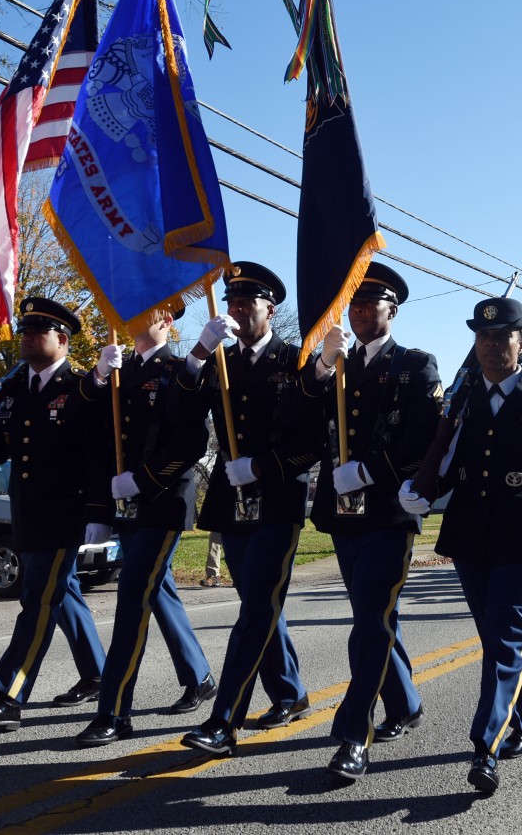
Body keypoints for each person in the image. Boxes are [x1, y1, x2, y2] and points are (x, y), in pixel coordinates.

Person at [400, 297, 522, 795]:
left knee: (504, 639)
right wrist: (420, 489)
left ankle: (486, 746)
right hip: (470, 531)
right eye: (482, 337)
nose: (490, 345)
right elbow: (445, 456)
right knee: (495, 635)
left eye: (501, 336)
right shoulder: (460, 397)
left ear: (520, 342)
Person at [175, 262, 324, 757]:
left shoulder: (297, 359)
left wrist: (262, 466)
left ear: (269, 309)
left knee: (259, 602)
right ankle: (290, 693)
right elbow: (179, 412)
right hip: (229, 499)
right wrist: (197, 353)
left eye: (246, 302)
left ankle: (224, 721)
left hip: (277, 498)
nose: (237, 309)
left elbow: (315, 442)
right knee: (259, 603)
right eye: (231, 302)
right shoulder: (221, 363)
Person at [0, 297, 113, 731]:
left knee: (38, 601)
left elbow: (97, 455)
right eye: (25, 331)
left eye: (37, 332)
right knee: (64, 596)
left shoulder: (80, 387)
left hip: (65, 514)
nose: (26, 338)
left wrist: (99, 511)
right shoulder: (17, 388)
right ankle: (99, 676)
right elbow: (4, 445)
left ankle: (10, 695)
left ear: (62, 339)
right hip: (28, 511)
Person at [301, 263, 442, 781]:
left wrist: (367, 470)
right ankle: (404, 704)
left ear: (392, 310)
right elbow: (299, 417)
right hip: (344, 516)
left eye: (370, 305)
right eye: (354, 305)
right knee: (374, 614)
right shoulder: (335, 365)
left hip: (387, 513)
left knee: (367, 624)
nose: (359, 313)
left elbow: (424, 439)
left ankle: (352, 734)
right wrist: (320, 366)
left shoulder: (415, 365)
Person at [75, 308, 217, 747]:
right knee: (159, 590)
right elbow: (93, 438)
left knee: (134, 593)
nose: (141, 318)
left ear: (168, 324)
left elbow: (193, 440)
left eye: (154, 313)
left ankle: (115, 711)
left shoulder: (179, 369)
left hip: (162, 501)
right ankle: (199, 676)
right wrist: (98, 378)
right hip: (127, 504)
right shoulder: (119, 369)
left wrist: (143, 479)